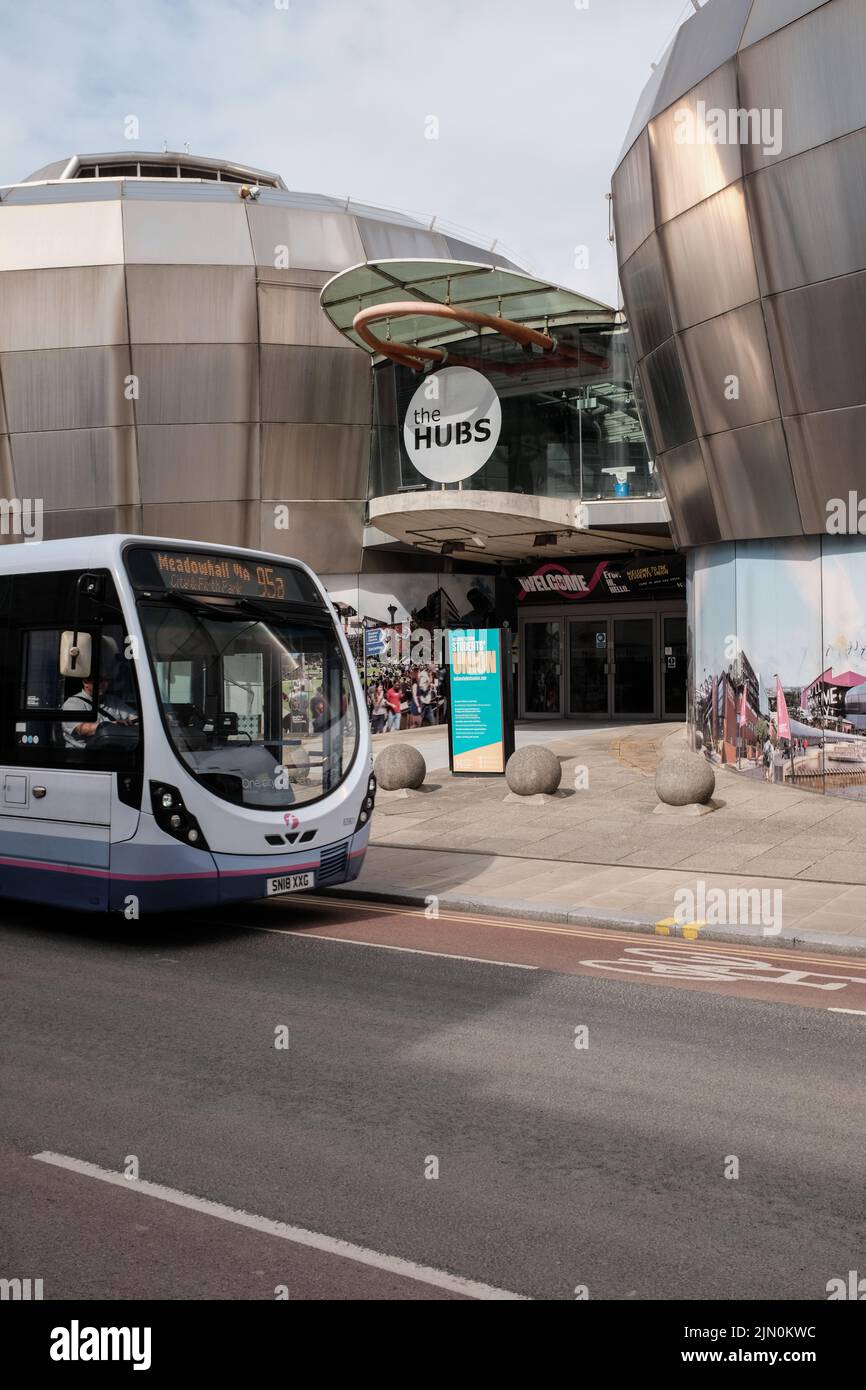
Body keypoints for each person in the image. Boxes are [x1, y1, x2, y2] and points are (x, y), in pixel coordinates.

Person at [63, 672, 137, 750]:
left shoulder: (113, 700)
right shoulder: (73, 703)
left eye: (107, 680)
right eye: (100, 680)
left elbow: (135, 717)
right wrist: (114, 725)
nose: (104, 684)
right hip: (82, 753)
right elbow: (82, 729)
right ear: (85, 682)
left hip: (113, 749)